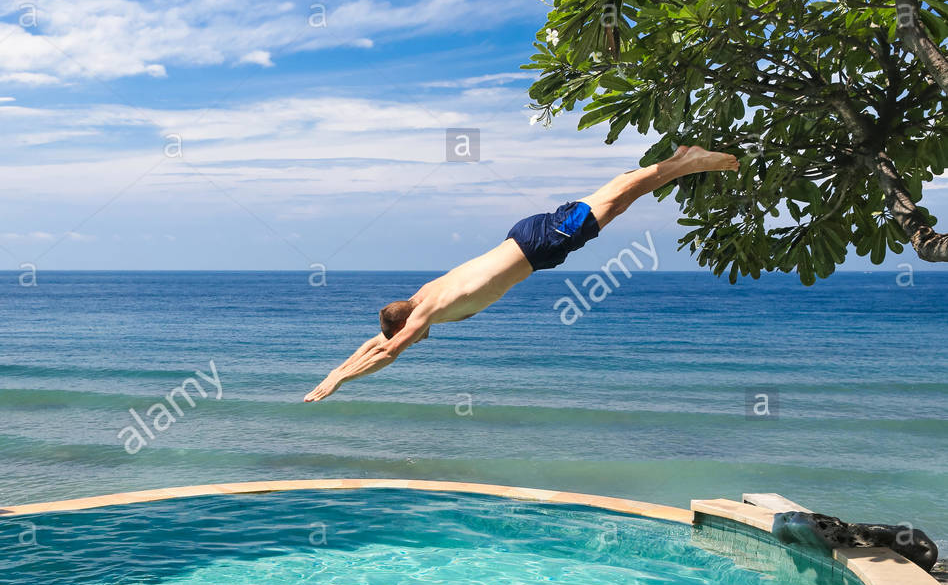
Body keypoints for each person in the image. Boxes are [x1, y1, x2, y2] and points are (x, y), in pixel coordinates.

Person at [303, 145, 740, 402]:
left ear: (407, 325)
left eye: (410, 335)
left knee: (617, 201)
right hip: (526, 237)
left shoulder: (427, 310)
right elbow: (376, 342)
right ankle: (679, 158)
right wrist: (336, 367)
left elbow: (387, 352)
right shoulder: (421, 298)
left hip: (538, 245)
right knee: (610, 198)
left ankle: (689, 162)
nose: (416, 340)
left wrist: (341, 380)